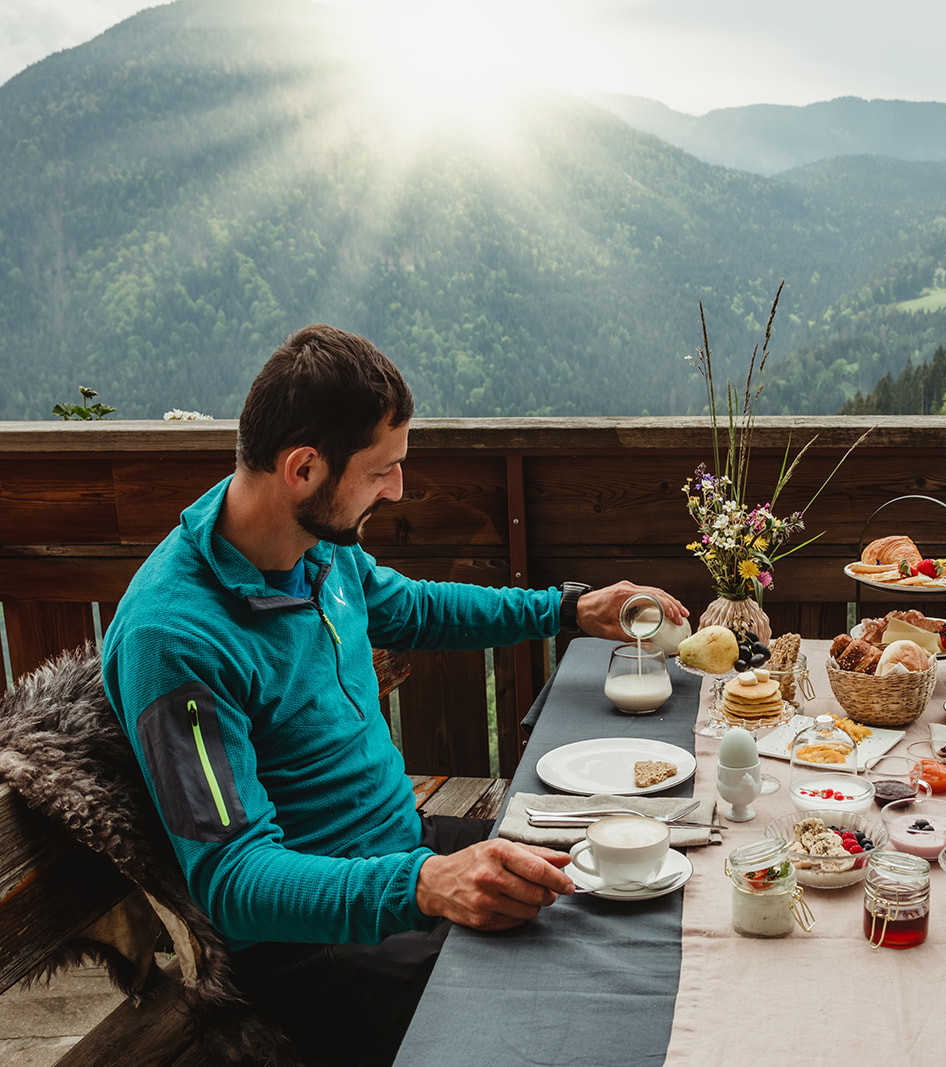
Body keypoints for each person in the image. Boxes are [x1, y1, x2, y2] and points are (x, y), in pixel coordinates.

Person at [101, 324, 689, 1065]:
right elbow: (233, 879)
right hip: (314, 949)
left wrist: (568, 609)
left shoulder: (315, 544)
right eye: (382, 470)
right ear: (304, 468)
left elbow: (412, 608)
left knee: (636, 880)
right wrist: (424, 884)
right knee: (579, 1008)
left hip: (404, 851)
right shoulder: (174, 637)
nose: (398, 489)